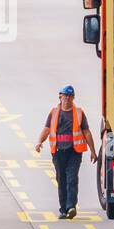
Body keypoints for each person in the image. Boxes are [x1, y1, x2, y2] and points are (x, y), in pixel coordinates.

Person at [35, 85, 97, 219]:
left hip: (74, 152)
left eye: (70, 96)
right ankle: (63, 209)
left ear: (73, 98)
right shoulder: (54, 113)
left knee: (72, 179)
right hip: (58, 152)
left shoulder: (79, 113)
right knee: (61, 179)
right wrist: (39, 142)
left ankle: (71, 207)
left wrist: (93, 151)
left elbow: (86, 132)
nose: (67, 98)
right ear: (60, 96)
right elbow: (47, 129)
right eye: (65, 95)